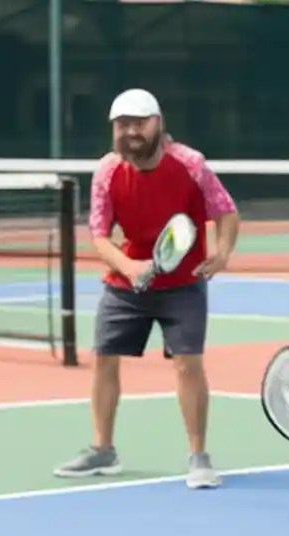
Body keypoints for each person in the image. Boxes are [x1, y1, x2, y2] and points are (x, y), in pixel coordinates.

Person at [53, 88, 240, 489]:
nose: (131, 132)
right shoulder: (107, 171)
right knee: (104, 358)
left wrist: (222, 253)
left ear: (159, 124)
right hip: (127, 281)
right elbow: (99, 235)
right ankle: (103, 450)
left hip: (184, 283)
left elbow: (225, 212)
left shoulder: (191, 165)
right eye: (122, 125)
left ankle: (198, 457)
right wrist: (130, 266)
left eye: (139, 123)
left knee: (188, 364)